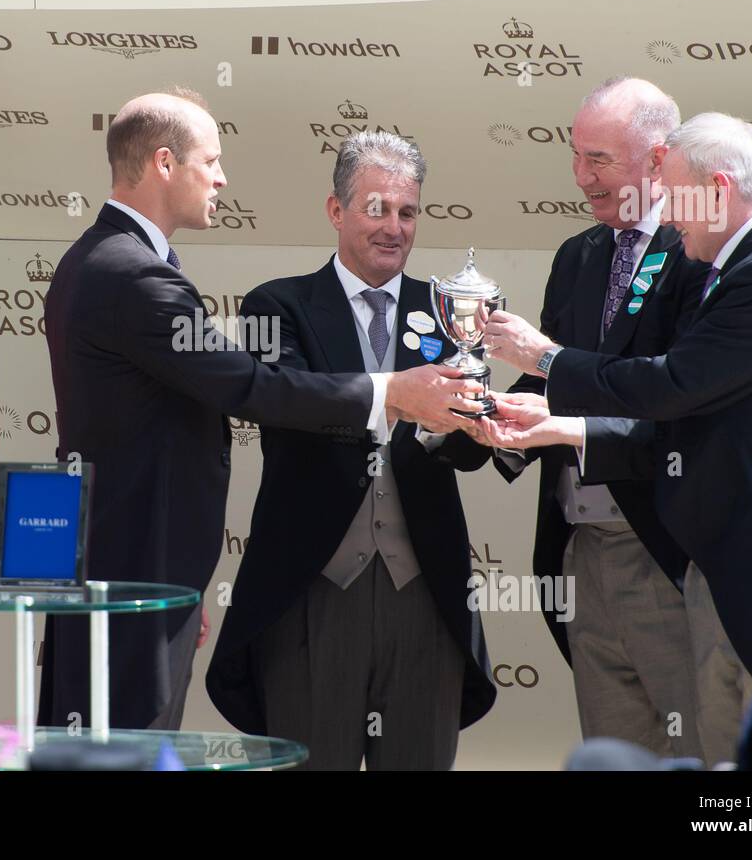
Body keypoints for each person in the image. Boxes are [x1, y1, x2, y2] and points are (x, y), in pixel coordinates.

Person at [42, 88, 482, 731]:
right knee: (121, 744)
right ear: (165, 164)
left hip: (136, 561)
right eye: (210, 161)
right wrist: (391, 393)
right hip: (129, 565)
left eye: (408, 212)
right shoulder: (132, 273)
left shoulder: (114, 261)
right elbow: (250, 387)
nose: (221, 177)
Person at [483, 112, 752, 761]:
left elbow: (672, 387)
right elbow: (689, 426)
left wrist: (547, 359)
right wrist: (562, 427)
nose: (665, 218)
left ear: (717, 190)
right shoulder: (735, 267)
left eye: (674, 196)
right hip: (722, 572)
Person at [206, 131, 495, 769]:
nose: (393, 227)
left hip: (425, 595)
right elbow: (285, 399)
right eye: (376, 208)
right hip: (312, 595)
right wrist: (398, 395)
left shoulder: (446, 309)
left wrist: (461, 420)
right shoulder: (276, 305)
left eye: (408, 212)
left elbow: (468, 456)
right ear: (337, 211)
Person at [488, 77, 706, 758]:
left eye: (600, 160)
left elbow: (679, 403)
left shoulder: (701, 253)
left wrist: (549, 364)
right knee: (612, 752)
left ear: (658, 159)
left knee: (693, 751)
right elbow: (550, 379)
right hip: (579, 554)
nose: (582, 177)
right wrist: (473, 419)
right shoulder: (579, 255)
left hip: (667, 550)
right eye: (576, 157)